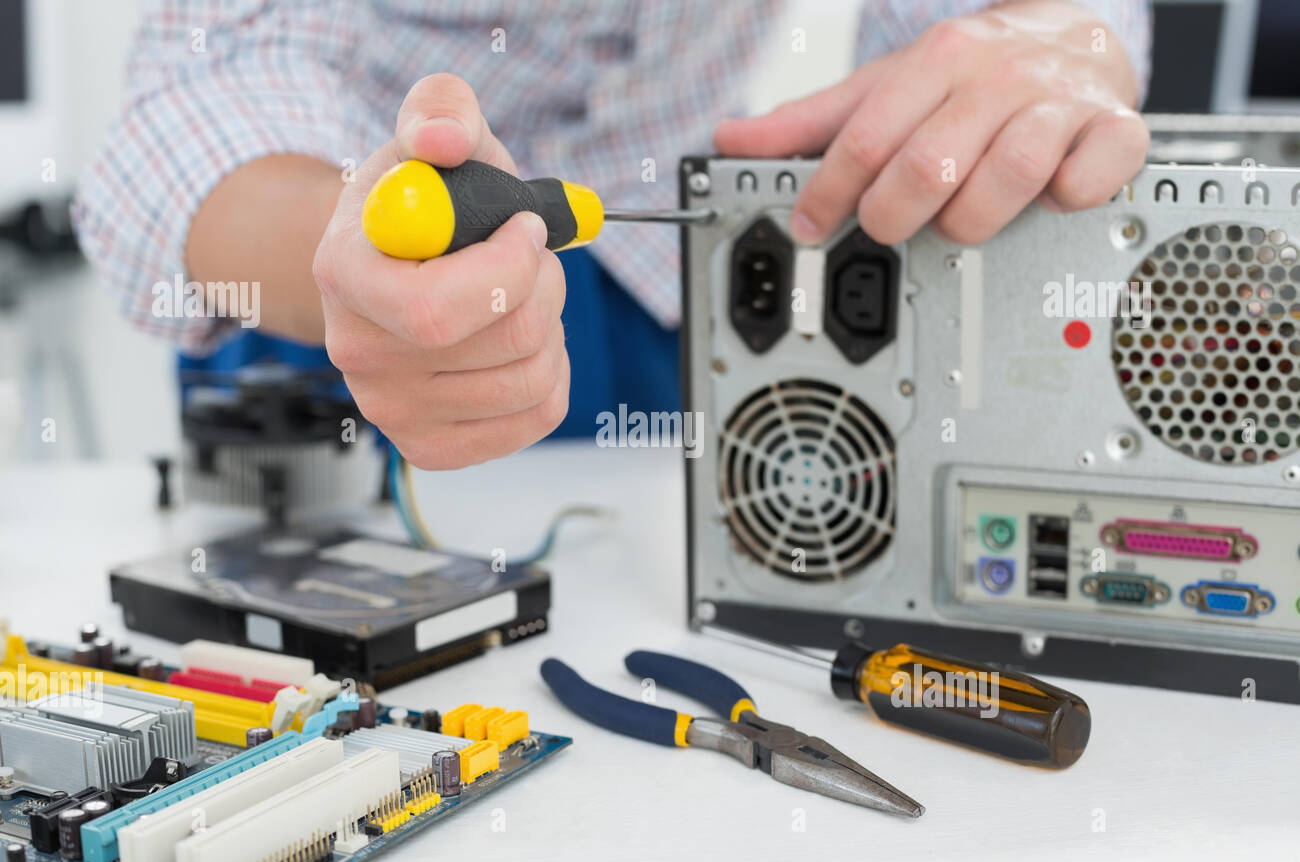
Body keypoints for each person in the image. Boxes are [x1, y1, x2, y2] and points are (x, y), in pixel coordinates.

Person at [75, 0, 1150, 470]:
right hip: (338, 295)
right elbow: (209, 82)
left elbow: (990, 27)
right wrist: (350, 262)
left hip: (666, 301)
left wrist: (1057, 28)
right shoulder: (354, 281)